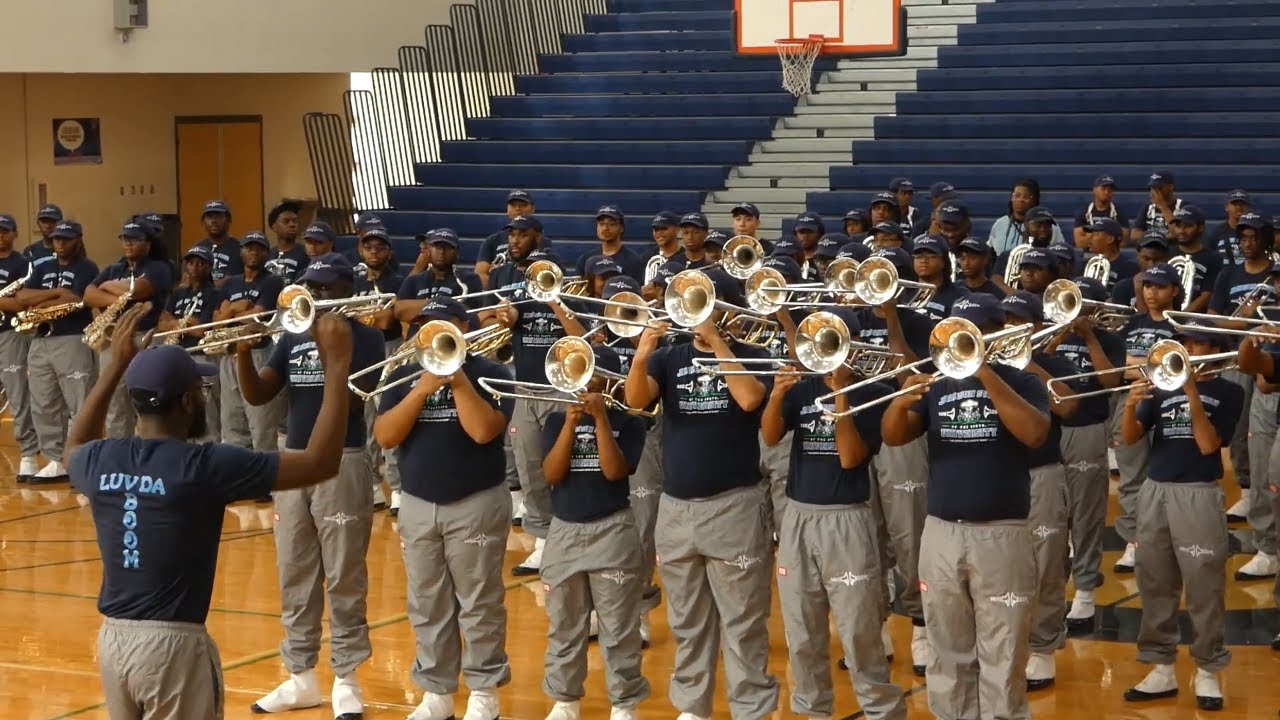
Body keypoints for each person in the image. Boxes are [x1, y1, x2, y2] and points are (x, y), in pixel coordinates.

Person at [66, 304, 354, 720]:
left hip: (112, 643)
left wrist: (116, 366)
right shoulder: (203, 467)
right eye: (200, 390)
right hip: (172, 647)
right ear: (186, 402)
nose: (205, 395)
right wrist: (338, 365)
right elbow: (321, 464)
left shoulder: (101, 459)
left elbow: (73, 446)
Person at [881, 293, 1050, 720]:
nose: (963, 339)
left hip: (1002, 530)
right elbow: (894, 436)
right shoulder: (936, 382)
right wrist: (901, 402)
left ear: (995, 334)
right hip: (941, 531)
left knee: (1005, 650)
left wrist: (985, 371)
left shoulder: (1023, 380)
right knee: (947, 647)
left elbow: (1035, 434)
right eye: (957, 331)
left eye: (973, 332)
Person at [624, 268, 780, 720]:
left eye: (708, 303)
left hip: (735, 505)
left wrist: (718, 343)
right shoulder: (668, 358)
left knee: (744, 621)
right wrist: (642, 353)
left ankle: (751, 707)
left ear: (728, 309)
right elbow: (637, 402)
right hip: (676, 508)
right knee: (688, 621)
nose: (697, 313)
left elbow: (750, 401)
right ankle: (692, 707)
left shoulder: (754, 353)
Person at [236, 253, 386, 718]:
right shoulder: (292, 333)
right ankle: (300, 674)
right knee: (294, 570)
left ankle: (346, 677)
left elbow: (358, 407)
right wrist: (243, 349)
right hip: (291, 461)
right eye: (313, 290)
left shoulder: (366, 337)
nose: (318, 298)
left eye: (327, 290)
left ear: (349, 290)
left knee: (343, 573)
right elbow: (261, 394)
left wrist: (332, 350)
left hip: (345, 459)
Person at [761, 307, 907, 720]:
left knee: (859, 630)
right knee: (802, 631)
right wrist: (776, 394)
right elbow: (771, 435)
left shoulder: (872, 392)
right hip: (798, 517)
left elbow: (849, 458)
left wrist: (841, 392)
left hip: (847, 518)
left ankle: (882, 710)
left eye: (835, 339)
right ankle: (812, 711)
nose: (826, 350)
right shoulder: (803, 389)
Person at [374, 297, 516, 720]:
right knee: (427, 601)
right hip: (419, 503)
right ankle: (436, 691)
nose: (429, 332)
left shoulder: (491, 372)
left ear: (461, 326)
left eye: (438, 324)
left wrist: (456, 381)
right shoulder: (402, 374)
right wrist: (421, 389)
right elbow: (385, 436)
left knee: (479, 601)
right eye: (421, 325)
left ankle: (484, 691)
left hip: (475, 501)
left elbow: (484, 431)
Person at [1120, 325, 1242, 711]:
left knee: (1204, 585)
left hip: (1199, 492)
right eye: (1184, 342)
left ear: (1215, 348)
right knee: (1154, 580)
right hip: (1155, 491)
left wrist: (1191, 391)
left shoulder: (1230, 392)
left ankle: (1208, 668)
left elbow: (1208, 445)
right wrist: (1128, 404)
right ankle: (1160, 667)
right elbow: (1130, 438)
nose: (1188, 349)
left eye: (1196, 342)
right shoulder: (1161, 386)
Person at [538, 344, 650, 720]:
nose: (585, 385)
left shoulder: (630, 422)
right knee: (565, 627)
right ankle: (565, 701)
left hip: (612, 530)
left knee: (619, 629)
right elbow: (551, 475)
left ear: (610, 381)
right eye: (580, 375)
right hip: (565, 531)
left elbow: (615, 471)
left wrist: (601, 420)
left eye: (593, 376)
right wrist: (571, 424)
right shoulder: (556, 421)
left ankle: (624, 703)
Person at [1002, 291, 1078, 690]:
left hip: (1043, 473)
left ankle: (1044, 647)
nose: (1010, 327)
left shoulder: (1053, 363)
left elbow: (1067, 408)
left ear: (1035, 327)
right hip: (998, 475)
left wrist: (1027, 364)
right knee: (1000, 567)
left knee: (1046, 563)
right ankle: (1006, 645)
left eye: (1018, 321)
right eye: (1005, 320)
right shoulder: (981, 365)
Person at [1041, 277, 1126, 629]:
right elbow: (1032, 367)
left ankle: (1087, 592)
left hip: (1088, 429)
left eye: (1085, 305)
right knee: (1051, 517)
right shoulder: (1051, 338)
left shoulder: (1110, 340)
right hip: (1051, 430)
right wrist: (1061, 332)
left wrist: (1089, 336)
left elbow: (1111, 383)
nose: (1079, 312)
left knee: (1086, 515)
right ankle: (1054, 590)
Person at [17, 220, 99, 483]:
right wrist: (55, 292)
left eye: (66, 239)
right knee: (43, 403)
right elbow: (22, 296)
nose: (60, 244)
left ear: (78, 239)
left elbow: (76, 300)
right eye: (56, 239)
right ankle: (55, 460)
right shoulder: (43, 266)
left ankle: (83, 457)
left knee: (79, 401)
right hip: (41, 340)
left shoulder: (87, 268)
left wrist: (46, 298)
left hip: (73, 338)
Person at [83, 221, 174, 439]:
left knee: (146, 400)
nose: (128, 243)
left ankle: (150, 453)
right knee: (115, 402)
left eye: (135, 239)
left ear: (148, 244)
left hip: (145, 338)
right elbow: (88, 295)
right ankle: (120, 452)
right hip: (113, 338)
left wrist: (107, 288)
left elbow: (140, 289)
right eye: (125, 239)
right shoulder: (114, 268)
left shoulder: (158, 268)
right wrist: (121, 297)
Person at [216, 232, 287, 454]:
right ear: (241, 251)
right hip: (230, 354)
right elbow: (217, 321)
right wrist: (237, 308)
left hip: (259, 353)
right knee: (232, 421)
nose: (253, 252)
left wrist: (232, 311)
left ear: (267, 252)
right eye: (249, 247)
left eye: (259, 248)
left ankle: (265, 483)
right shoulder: (231, 282)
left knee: (261, 423)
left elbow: (257, 317)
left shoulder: (273, 281)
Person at [355, 226, 406, 513]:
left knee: (387, 415)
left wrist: (364, 316)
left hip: (390, 350)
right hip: (362, 352)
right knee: (365, 421)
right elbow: (346, 318)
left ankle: (397, 487)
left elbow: (387, 322)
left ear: (388, 252)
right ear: (361, 250)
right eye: (368, 247)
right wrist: (370, 316)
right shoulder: (353, 282)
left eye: (379, 247)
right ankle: (372, 484)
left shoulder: (399, 282)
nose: (373, 251)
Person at [157, 245, 220, 441]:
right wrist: (185, 322)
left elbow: (204, 329)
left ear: (209, 267)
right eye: (190, 262)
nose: (194, 266)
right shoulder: (177, 294)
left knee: (206, 407)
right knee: (181, 405)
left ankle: (210, 446)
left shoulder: (214, 293)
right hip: (177, 353)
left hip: (202, 354)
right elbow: (162, 324)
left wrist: (177, 323)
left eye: (201, 263)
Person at [0, 213, 39, 480]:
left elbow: (21, 303)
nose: (0, 235)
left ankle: (28, 452)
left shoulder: (23, 264)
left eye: (5, 231)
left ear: (15, 233)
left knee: (17, 393)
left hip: (9, 334)